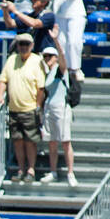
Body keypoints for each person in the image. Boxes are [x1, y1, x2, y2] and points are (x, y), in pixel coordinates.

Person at [0, 34, 47, 182]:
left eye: (26, 44)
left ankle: (31, 170)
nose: (23, 47)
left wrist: (38, 106)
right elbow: (3, 80)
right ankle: (21, 169)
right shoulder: (12, 59)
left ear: (31, 46)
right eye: (21, 44)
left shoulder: (37, 61)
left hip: (30, 109)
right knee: (17, 140)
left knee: (30, 140)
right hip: (14, 109)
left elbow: (41, 88)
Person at [38, 43, 76, 186]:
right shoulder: (47, 72)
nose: (47, 58)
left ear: (55, 57)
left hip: (61, 107)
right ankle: (53, 171)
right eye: (45, 56)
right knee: (52, 142)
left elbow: (63, 57)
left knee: (65, 141)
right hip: (49, 107)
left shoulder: (61, 70)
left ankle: (70, 173)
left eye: (50, 56)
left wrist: (55, 40)